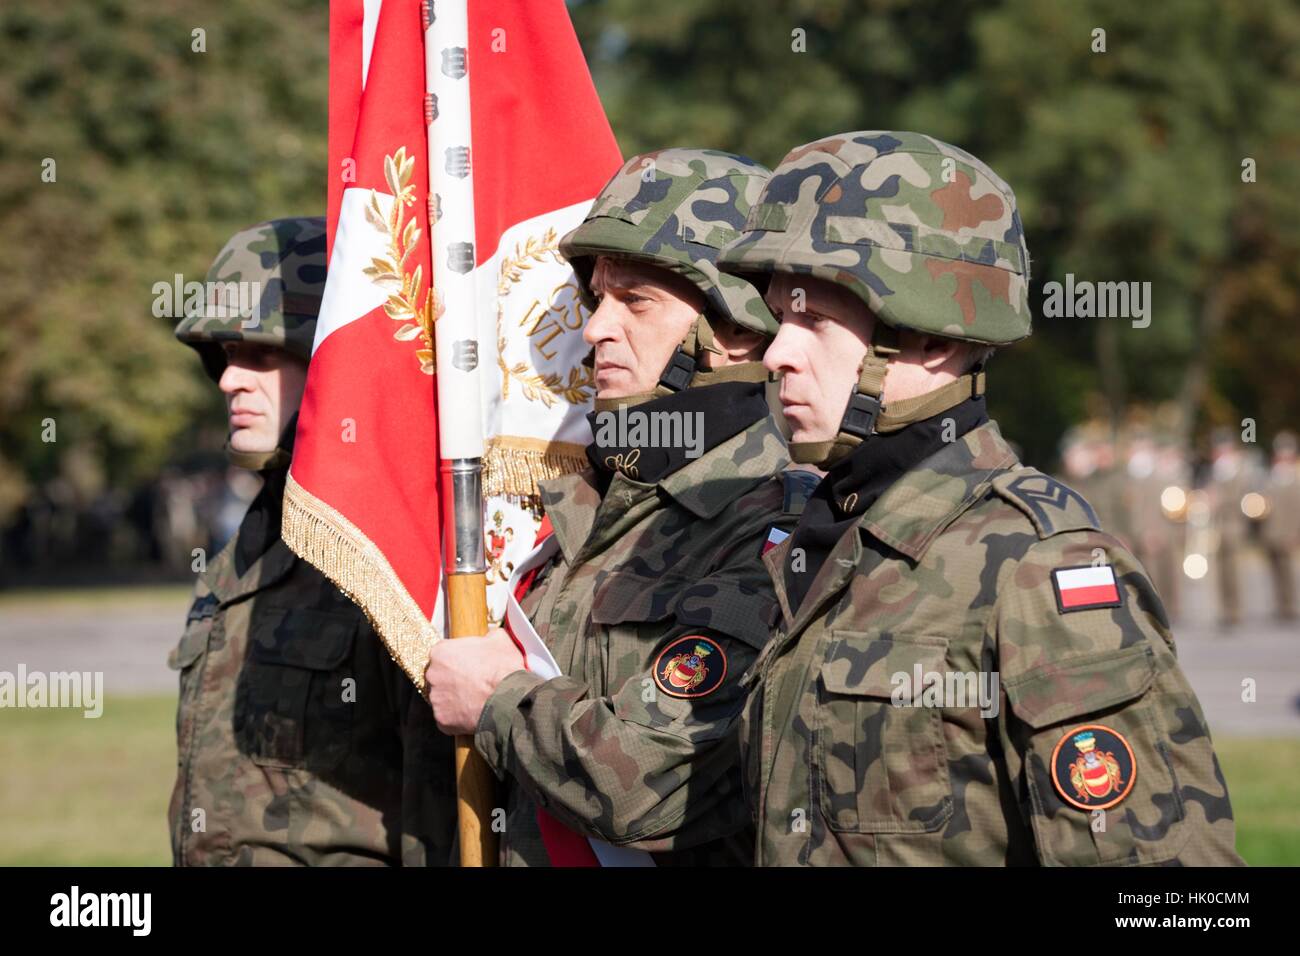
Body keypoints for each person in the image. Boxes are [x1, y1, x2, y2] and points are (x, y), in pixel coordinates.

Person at [715, 130, 1242, 866]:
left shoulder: (1037, 569)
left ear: (930, 338)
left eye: (813, 320)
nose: (776, 353)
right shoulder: (820, 542)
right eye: (778, 319)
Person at [422, 150, 805, 865]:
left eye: (636, 301)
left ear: (735, 329)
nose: (595, 330)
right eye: (597, 300)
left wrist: (496, 699)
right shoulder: (579, 507)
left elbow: (650, 784)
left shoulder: (773, 524)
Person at [167, 217, 457, 865]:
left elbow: (446, 813)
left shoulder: (387, 550)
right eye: (223, 355)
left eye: (262, 355)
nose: (228, 380)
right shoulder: (253, 537)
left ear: (332, 359)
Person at [1262, 431, 1300, 622]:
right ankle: (1280, 604)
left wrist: (1295, 533)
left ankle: (1290, 605)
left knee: (1287, 571)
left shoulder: (1295, 479)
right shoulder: (1273, 477)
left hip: (1287, 532)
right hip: (1272, 531)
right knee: (1275, 569)